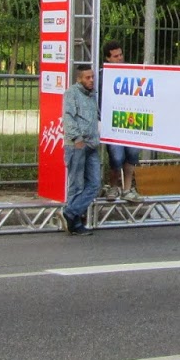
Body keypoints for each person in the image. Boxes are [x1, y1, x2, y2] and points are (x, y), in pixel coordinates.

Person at [61, 63, 102, 234]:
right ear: (79, 79)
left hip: (92, 144)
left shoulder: (92, 95)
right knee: (76, 185)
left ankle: (70, 213)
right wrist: (77, 139)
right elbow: (68, 117)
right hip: (77, 145)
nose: (92, 80)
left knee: (94, 183)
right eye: (88, 77)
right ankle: (75, 224)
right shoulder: (71, 93)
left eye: (92, 77)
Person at [99, 40, 141, 200]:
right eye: (115, 56)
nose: (119, 58)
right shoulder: (103, 76)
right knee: (116, 157)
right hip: (113, 123)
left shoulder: (131, 73)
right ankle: (114, 186)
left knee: (132, 154)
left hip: (132, 121)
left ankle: (127, 189)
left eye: (121, 54)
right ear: (108, 58)